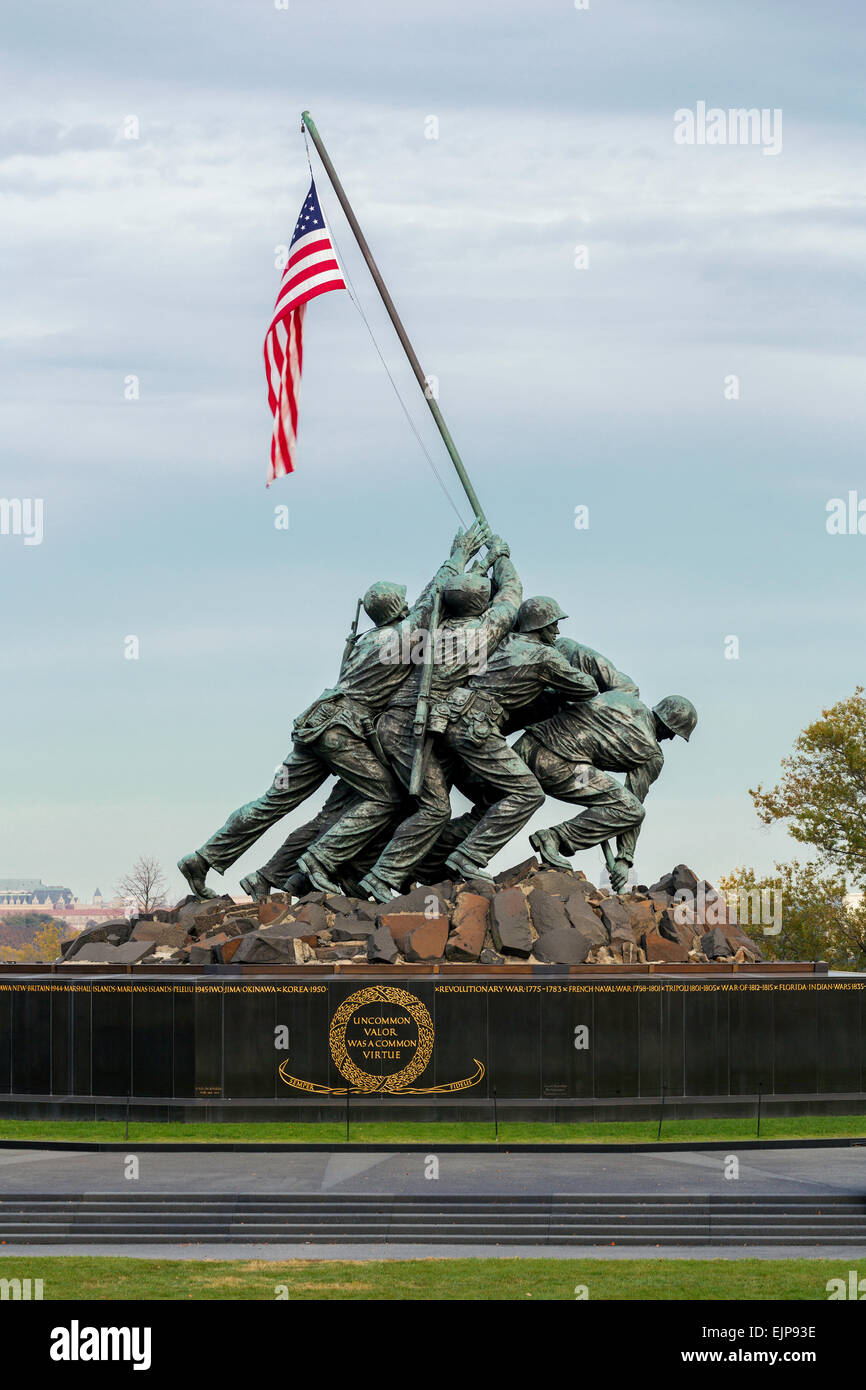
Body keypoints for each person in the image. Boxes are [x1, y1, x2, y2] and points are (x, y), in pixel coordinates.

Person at [177, 521, 488, 898]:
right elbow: (432, 598)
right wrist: (459, 555)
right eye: (402, 603)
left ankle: (204, 857)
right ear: (397, 608)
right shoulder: (398, 639)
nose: (409, 605)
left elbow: (426, 603)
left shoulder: (366, 640)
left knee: (271, 803)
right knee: (385, 796)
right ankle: (318, 862)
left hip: (317, 725)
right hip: (342, 731)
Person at [515, 691, 697, 891]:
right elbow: (633, 803)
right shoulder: (652, 753)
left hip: (527, 745)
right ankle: (554, 837)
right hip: (561, 765)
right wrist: (624, 859)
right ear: (667, 724)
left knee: (489, 798)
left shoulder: (622, 699)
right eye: (673, 732)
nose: (670, 738)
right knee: (631, 810)